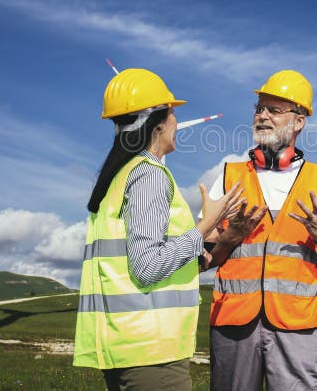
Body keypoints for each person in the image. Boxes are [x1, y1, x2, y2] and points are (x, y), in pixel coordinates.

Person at [73, 68, 244, 391]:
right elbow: (147, 267)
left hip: (126, 346)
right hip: (151, 353)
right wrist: (205, 224)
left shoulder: (120, 177)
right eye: (173, 114)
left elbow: (140, 259)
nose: (178, 123)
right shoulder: (149, 176)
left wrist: (204, 243)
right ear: (158, 122)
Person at [205, 69, 317, 391]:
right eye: (259, 108)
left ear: (299, 121)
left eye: (274, 110)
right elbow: (203, 259)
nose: (262, 116)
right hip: (233, 322)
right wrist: (230, 238)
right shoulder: (229, 176)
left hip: (297, 325)